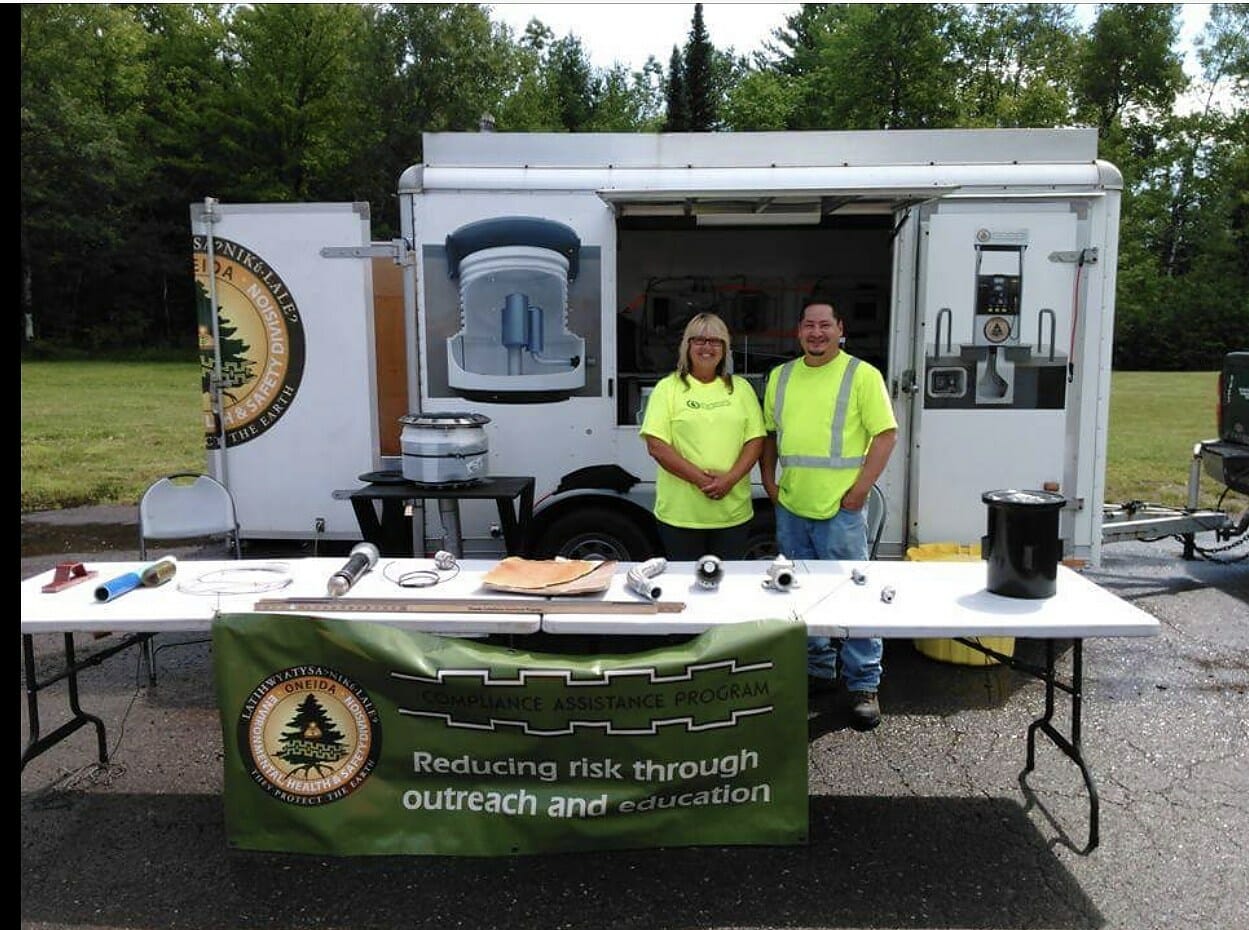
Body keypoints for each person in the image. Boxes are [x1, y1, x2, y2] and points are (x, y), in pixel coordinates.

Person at [760, 300, 898, 731]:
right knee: (800, 594)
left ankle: (863, 684)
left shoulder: (862, 375)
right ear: (798, 332)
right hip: (793, 508)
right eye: (808, 325)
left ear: (841, 329)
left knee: (852, 593)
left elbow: (886, 435)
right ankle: (819, 670)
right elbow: (769, 435)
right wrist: (768, 481)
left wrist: (859, 490)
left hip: (841, 510)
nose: (816, 333)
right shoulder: (780, 377)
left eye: (825, 325)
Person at [640, 312, 765, 561]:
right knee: (686, 589)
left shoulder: (742, 389)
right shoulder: (668, 388)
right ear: (687, 346)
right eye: (699, 340)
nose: (707, 347)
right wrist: (702, 481)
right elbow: (657, 446)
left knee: (727, 587)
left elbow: (755, 441)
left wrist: (729, 480)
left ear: (725, 348)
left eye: (715, 341)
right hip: (681, 515)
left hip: (732, 514)